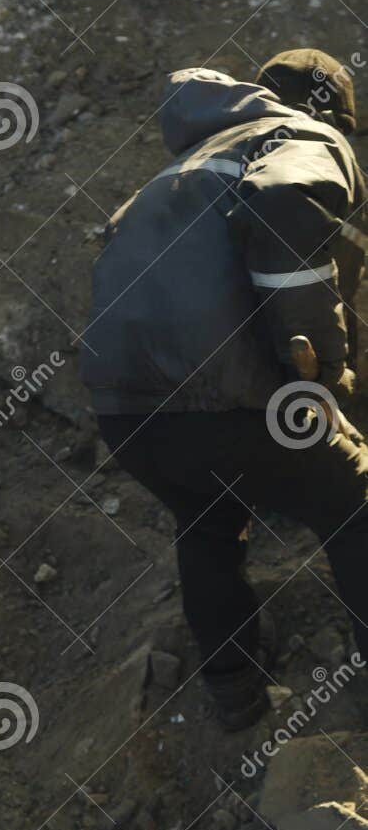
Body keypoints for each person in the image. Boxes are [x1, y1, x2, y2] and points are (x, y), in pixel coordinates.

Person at [81, 50, 368, 730]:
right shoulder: (302, 137)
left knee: (207, 523)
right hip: (220, 394)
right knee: (355, 504)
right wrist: (321, 375)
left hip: (125, 412)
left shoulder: (177, 171)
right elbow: (283, 210)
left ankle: (234, 688)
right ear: (325, 109)